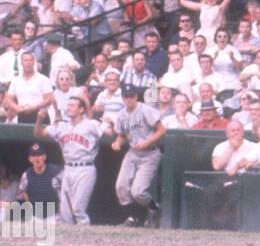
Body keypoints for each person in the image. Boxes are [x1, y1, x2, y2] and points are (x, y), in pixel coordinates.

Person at [34, 97, 112, 226]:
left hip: (85, 168)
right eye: (68, 105)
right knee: (65, 213)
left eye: (72, 105)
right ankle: (70, 243)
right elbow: (38, 134)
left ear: (81, 109)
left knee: (78, 209)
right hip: (68, 168)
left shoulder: (91, 124)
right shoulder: (61, 125)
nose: (68, 107)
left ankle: (87, 240)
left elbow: (110, 133)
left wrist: (105, 122)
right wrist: (39, 119)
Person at [111, 84, 166, 227]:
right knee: (120, 187)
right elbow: (121, 135)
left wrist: (145, 143)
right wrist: (117, 143)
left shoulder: (145, 110)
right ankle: (132, 217)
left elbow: (161, 130)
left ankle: (155, 209)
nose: (128, 99)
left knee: (138, 192)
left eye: (131, 96)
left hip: (150, 153)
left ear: (136, 96)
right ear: (122, 98)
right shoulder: (122, 115)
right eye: (126, 96)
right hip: (133, 153)